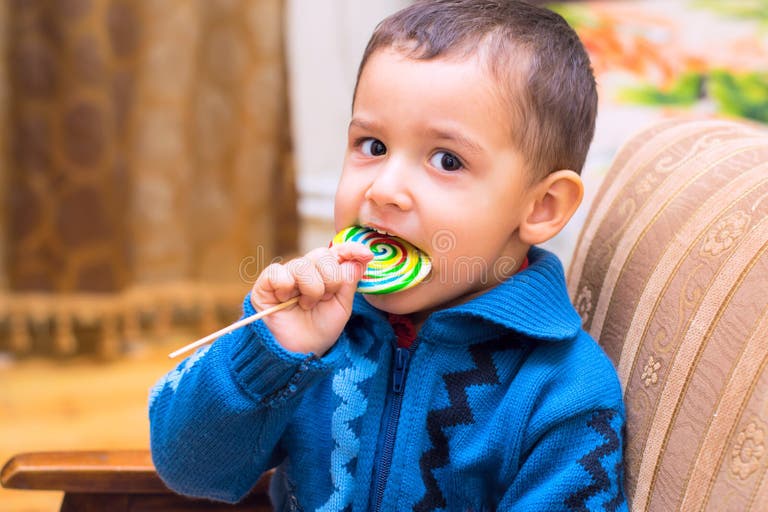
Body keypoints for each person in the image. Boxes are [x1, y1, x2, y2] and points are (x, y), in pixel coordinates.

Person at [149, 1, 627, 510]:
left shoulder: (565, 394)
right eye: (372, 145)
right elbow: (188, 469)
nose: (384, 189)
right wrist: (270, 352)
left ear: (541, 206)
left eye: (447, 160)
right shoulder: (313, 332)